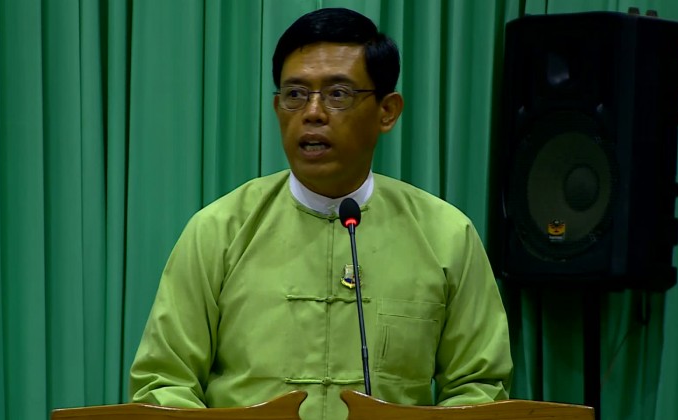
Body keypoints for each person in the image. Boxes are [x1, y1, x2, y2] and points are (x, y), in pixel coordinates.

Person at [129, 7, 512, 419]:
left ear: (388, 111)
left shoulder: (447, 235)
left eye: (338, 94)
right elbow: (164, 383)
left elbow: (479, 387)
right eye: (295, 94)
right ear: (278, 108)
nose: (313, 112)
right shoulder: (218, 231)